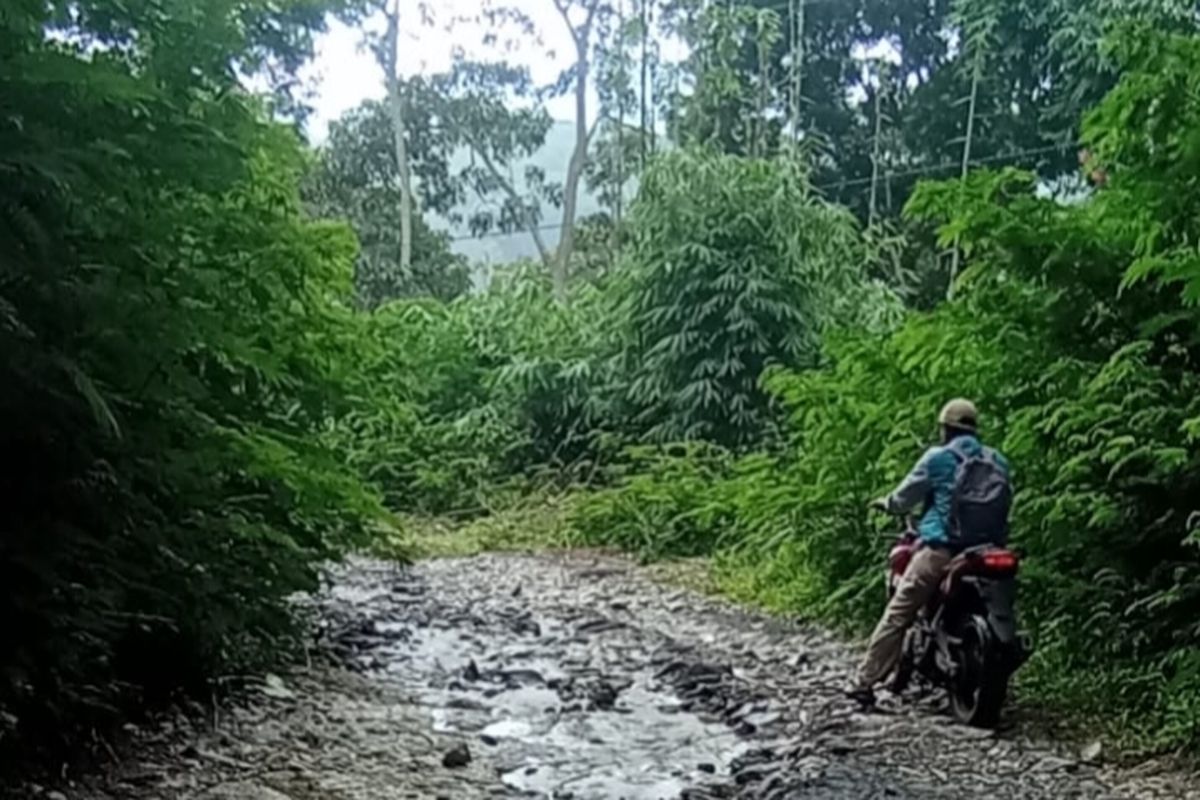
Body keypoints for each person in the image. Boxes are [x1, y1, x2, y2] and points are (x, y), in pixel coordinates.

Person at [846, 398, 1010, 707]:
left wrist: (888, 503)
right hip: (989, 551)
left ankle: (864, 681)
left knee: (899, 612)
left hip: (943, 552)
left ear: (945, 429)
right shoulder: (997, 460)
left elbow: (904, 499)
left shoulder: (938, 458)